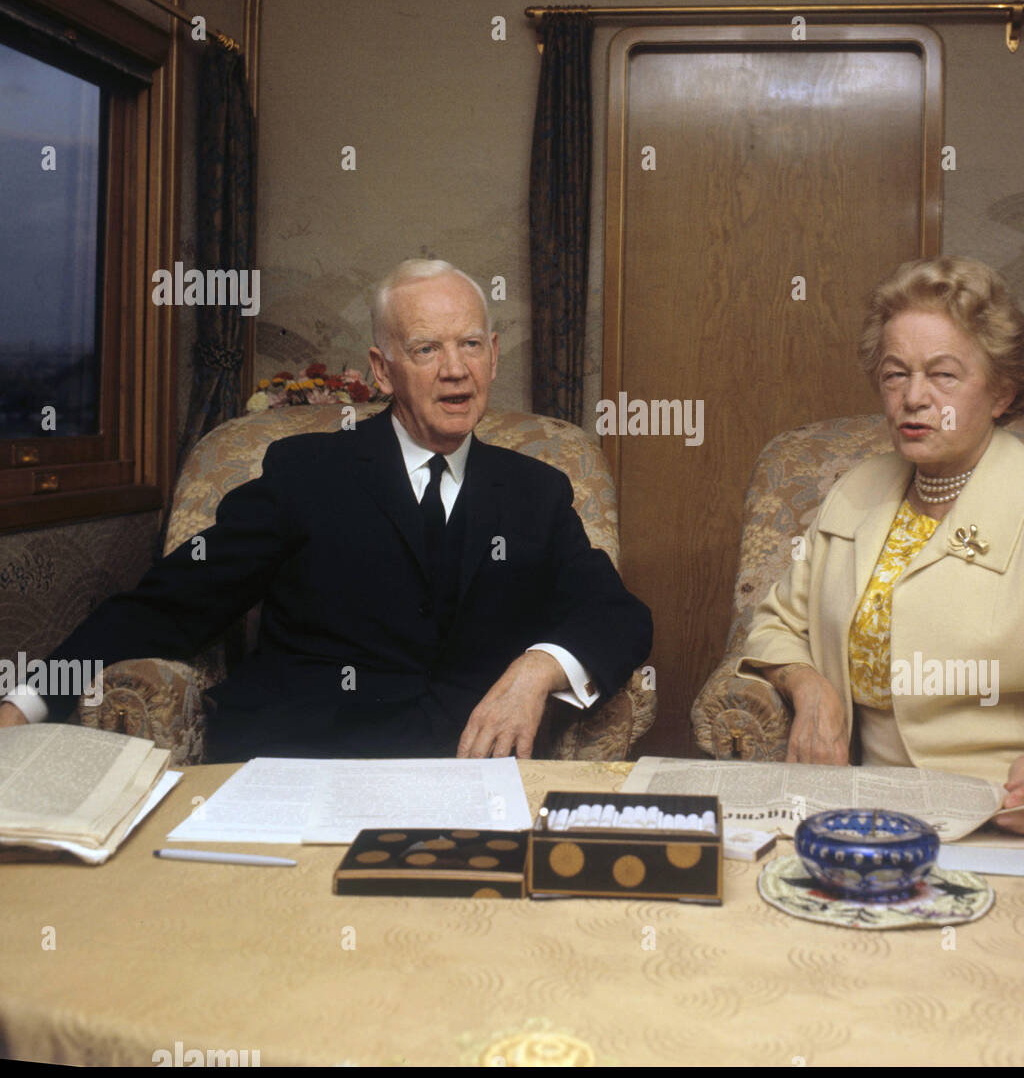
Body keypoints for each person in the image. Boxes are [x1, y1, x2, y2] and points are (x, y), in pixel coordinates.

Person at [0, 260, 652, 760]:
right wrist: (24, 705)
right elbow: (169, 605)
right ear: (384, 368)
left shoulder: (537, 490)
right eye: (427, 349)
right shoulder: (305, 473)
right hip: (301, 765)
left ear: (494, 354)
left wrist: (536, 668)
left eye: (471, 345)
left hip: (464, 777)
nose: (456, 371)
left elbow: (617, 614)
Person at [738, 256, 1024, 836]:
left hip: (1003, 809)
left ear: (1001, 393)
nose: (914, 397)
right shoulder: (855, 494)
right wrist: (811, 688)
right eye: (895, 374)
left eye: (943, 375)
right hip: (864, 805)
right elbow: (777, 623)